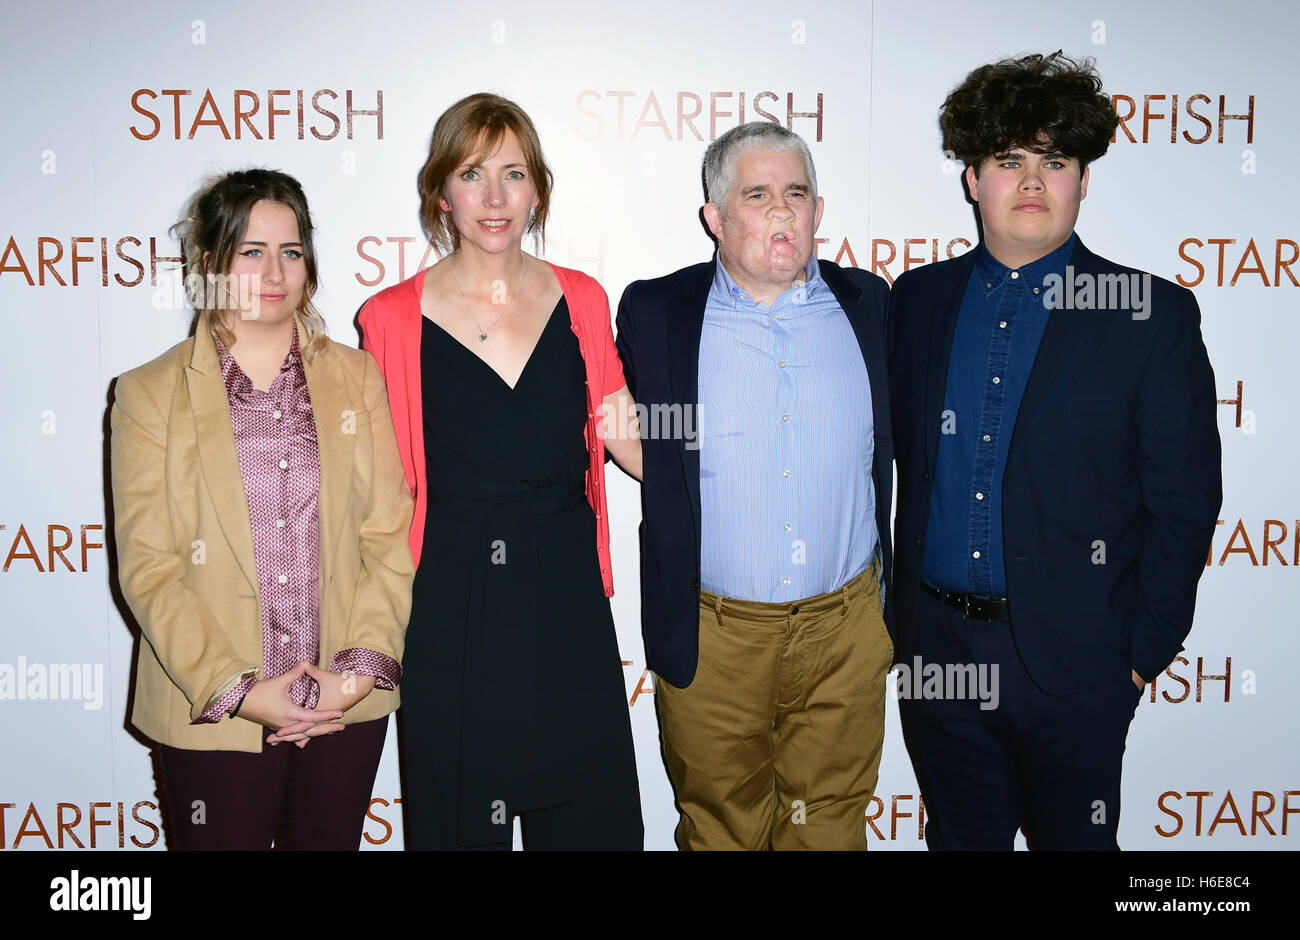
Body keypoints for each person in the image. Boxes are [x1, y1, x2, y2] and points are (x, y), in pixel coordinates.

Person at [888, 52, 1222, 850]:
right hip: (939, 655)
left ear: (1082, 179)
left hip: (1080, 664)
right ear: (973, 178)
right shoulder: (916, 300)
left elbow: (1184, 502)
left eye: (1055, 161)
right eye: (1009, 161)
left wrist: (1139, 657)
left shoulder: (1151, 314)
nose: (1032, 181)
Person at [358, 93, 643, 850]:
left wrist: (726, 474)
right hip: (450, 597)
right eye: (472, 173)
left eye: (513, 174)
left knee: (590, 821)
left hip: (565, 593)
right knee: (459, 823)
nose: (494, 198)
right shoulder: (387, 318)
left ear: (538, 189)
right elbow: (373, 482)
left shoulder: (581, 298)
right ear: (441, 194)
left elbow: (627, 435)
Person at [110, 168, 414, 850]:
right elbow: (151, 568)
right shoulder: (149, 393)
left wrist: (358, 673)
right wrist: (242, 693)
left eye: (291, 250)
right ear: (212, 262)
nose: (274, 271)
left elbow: (387, 533)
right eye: (251, 251)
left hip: (343, 706)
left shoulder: (357, 377)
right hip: (213, 715)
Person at [615, 122, 894, 850]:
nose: (782, 212)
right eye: (758, 194)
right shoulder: (656, 311)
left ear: (819, 211)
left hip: (846, 630)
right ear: (714, 217)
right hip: (715, 638)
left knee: (829, 831)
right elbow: (613, 430)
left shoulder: (871, 305)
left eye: (796, 194)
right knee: (721, 832)